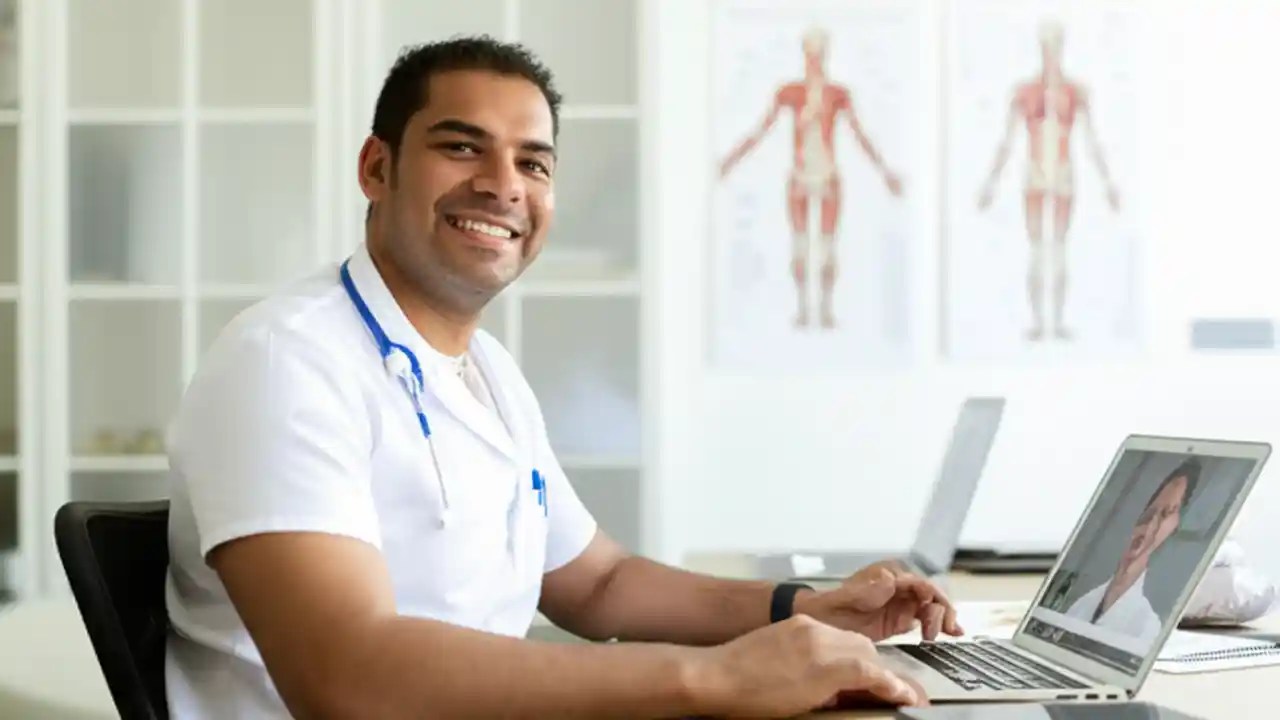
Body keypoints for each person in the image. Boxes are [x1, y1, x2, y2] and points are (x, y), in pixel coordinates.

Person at [163, 35, 962, 718]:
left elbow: (598, 584)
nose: (504, 184)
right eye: (461, 146)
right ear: (378, 168)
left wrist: (798, 607)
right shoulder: (286, 361)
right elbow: (344, 674)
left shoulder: (488, 372)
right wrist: (716, 676)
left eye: (533, 163)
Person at [719, 27, 903, 331]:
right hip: (800, 174)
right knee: (801, 244)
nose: (815, 59)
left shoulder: (837, 94)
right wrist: (731, 160)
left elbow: (860, 135)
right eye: (810, 53)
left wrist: (885, 172)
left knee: (828, 245)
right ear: (804, 54)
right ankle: (804, 309)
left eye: (819, 53)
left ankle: (827, 309)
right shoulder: (790, 92)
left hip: (828, 174)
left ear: (825, 54)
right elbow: (761, 130)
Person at [976, 20, 1120, 343]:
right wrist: (991, 183)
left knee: (1059, 249)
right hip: (1036, 172)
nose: (1051, 52)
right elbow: (1007, 141)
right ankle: (1039, 323)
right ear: (1041, 49)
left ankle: (1058, 321)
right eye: (1046, 45)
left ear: (1061, 48)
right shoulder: (1024, 93)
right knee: (1038, 250)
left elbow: (1092, 140)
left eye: (1055, 45)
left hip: (1064, 172)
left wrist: (1108, 184)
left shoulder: (1076, 92)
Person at [1064, 459, 1201, 648]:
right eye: (1150, 512)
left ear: (1175, 529)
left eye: (1165, 514)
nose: (1150, 525)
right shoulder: (1083, 604)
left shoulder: (1147, 626)